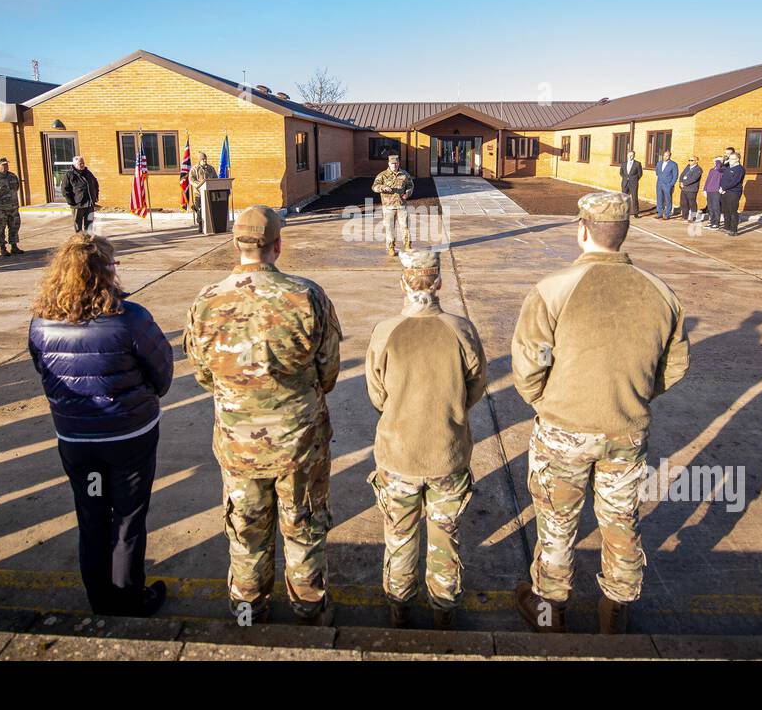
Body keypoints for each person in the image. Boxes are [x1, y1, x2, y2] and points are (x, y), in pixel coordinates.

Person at [512, 191, 689, 634]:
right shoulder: (661, 293)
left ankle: (550, 612)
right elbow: (675, 367)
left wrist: (546, 402)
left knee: (555, 522)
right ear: (624, 232)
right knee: (620, 522)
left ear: (582, 230)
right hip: (625, 431)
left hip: (562, 429)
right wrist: (631, 396)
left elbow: (528, 365)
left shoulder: (552, 289)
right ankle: (616, 614)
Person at [185, 205, 342, 625]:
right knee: (304, 526)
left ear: (236, 243)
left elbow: (203, 374)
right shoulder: (307, 296)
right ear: (277, 244)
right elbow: (328, 371)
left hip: (239, 445)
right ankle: (309, 611)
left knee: (246, 533)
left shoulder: (206, 301)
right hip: (299, 443)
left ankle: (248, 614)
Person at [28, 233, 174, 616]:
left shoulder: (40, 322)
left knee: (92, 515)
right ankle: (127, 597)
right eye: (113, 264)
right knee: (127, 518)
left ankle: (100, 599)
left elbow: (45, 374)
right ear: (105, 271)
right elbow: (162, 374)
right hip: (128, 437)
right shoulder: (131, 318)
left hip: (77, 438)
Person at [365, 249, 486, 630]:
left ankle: (399, 607)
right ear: (439, 283)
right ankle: (443, 610)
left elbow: (377, 396)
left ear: (403, 283)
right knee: (444, 538)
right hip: (446, 455)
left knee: (399, 536)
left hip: (399, 456)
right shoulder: (461, 329)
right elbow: (475, 387)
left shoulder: (385, 331)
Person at [371, 153, 413, 256]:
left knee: (405, 227)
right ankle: (391, 247)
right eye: (392, 163)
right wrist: (382, 188)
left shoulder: (404, 174)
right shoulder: (383, 175)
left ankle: (407, 245)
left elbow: (410, 185)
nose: (394, 165)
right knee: (390, 228)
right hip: (388, 207)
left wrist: (408, 193)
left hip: (401, 205)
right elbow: (374, 187)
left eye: (396, 163)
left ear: (399, 163)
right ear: (389, 164)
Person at [60, 156, 99, 233]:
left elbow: (95, 184)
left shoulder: (88, 173)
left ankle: (88, 238)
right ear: (74, 164)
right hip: (78, 204)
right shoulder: (69, 175)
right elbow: (64, 189)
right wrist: (71, 202)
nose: (82, 165)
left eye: (83, 163)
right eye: (80, 163)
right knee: (78, 224)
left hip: (89, 203)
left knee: (89, 223)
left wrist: (95, 197)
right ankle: (79, 239)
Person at [718, 151, 745, 236]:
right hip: (724, 191)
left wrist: (724, 188)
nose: (730, 160)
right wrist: (721, 188)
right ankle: (727, 227)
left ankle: (733, 230)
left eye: (732, 159)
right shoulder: (728, 167)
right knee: (726, 210)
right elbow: (720, 170)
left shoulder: (739, 169)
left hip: (733, 192)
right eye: (730, 158)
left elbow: (735, 181)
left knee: (733, 211)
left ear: (737, 159)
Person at [191, 152, 218, 233]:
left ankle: (210, 225)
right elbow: (191, 180)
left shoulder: (211, 168)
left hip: (209, 193)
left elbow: (216, 178)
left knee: (209, 209)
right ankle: (200, 225)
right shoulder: (195, 169)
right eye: (203, 159)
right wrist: (200, 185)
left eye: (205, 158)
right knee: (200, 210)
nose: (205, 160)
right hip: (199, 194)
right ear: (200, 160)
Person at [654, 149, 679, 220]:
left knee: (668, 199)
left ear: (670, 156)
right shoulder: (659, 163)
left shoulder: (673, 164)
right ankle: (660, 213)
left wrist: (671, 184)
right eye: (664, 156)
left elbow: (675, 175)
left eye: (667, 156)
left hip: (667, 185)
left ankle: (667, 214)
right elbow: (657, 172)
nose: (665, 157)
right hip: (659, 184)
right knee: (659, 199)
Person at [678, 155, 703, 222]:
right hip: (684, 189)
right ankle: (684, 216)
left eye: (692, 160)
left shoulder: (698, 169)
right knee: (684, 203)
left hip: (691, 189)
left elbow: (694, 179)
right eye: (689, 160)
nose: (690, 162)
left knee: (692, 204)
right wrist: (680, 182)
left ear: (696, 161)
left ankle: (693, 218)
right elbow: (682, 175)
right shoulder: (687, 167)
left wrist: (685, 183)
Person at [619, 149, 643, 217]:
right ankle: (624, 211)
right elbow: (621, 173)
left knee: (634, 197)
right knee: (624, 198)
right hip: (625, 183)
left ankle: (636, 212)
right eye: (629, 155)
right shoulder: (623, 164)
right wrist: (625, 178)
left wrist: (634, 179)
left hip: (633, 183)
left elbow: (640, 174)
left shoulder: (637, 164)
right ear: (627, 155)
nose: (630, 157)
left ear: (634, 156)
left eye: (632, 155)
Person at [703, 156, 724, 230]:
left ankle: (716, 223)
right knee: (710, 207)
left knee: (716, 207)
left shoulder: (721, 169)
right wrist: (705, 189)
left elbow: (719, 168)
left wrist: (719, 161)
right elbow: (707, 180)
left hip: (716, 190)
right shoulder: (711, 170)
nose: (715, 162)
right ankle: (712, 222)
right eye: (715, 161)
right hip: (709, 190)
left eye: (717, 161)